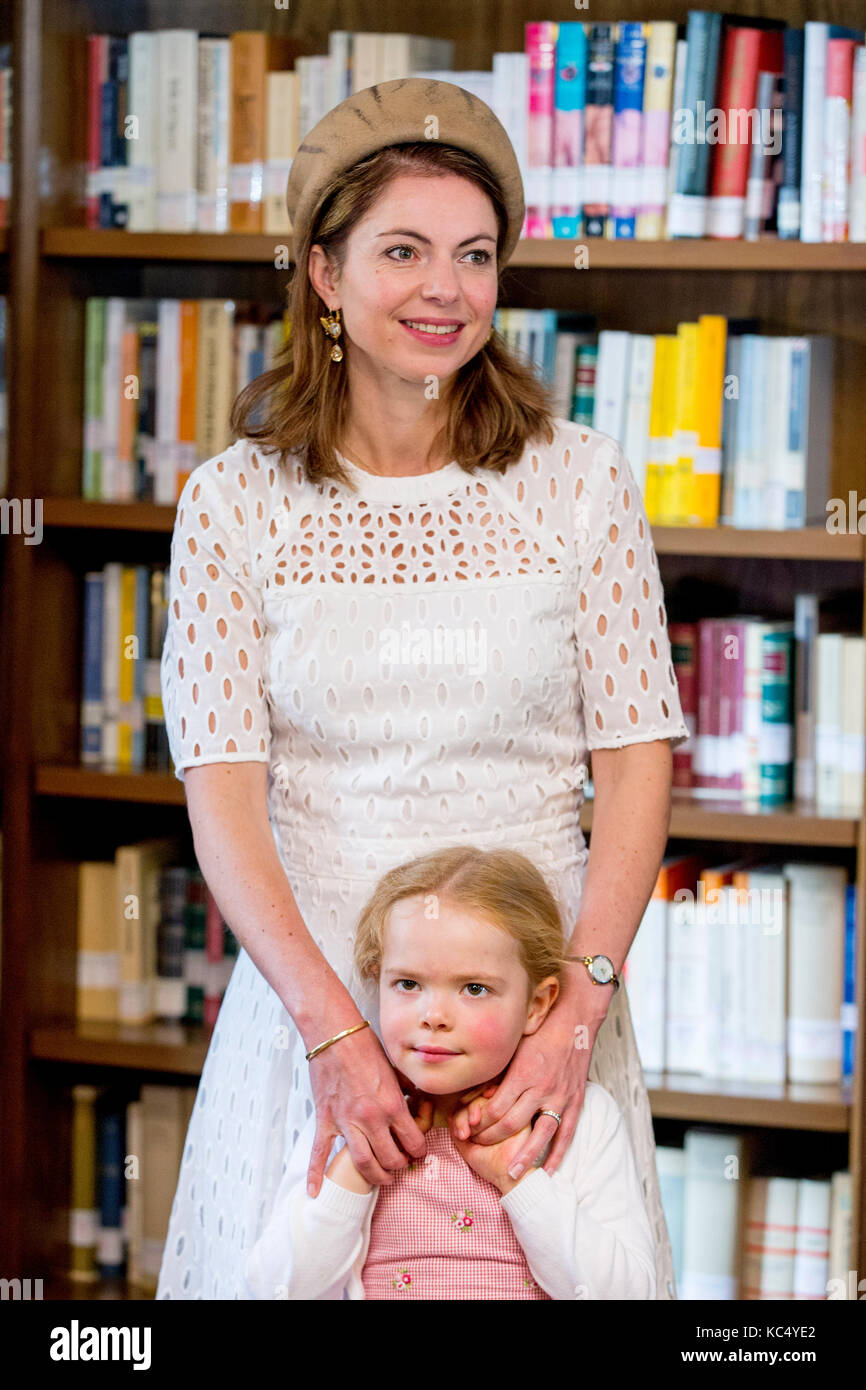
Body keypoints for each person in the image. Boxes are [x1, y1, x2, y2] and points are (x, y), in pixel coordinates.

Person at [156, 78, 689, 1301]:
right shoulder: (232, 507)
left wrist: (573, 1021)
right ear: (326, 274)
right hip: (320, 1026)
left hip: (535, 1028)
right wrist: (334, 1035)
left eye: (474, 255)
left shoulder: (579, 484)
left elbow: (635, 761)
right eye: (402, 250)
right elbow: (225, 800)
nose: (445, 290)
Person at [241, 845, 657, 1300]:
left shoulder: (577, 1121)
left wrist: (520, 1182)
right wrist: (354, 1174)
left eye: (474, 988)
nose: (434, 1014)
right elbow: (272, 1291)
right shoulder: (354, 1120)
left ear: (537, 1006)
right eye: (408, 984)